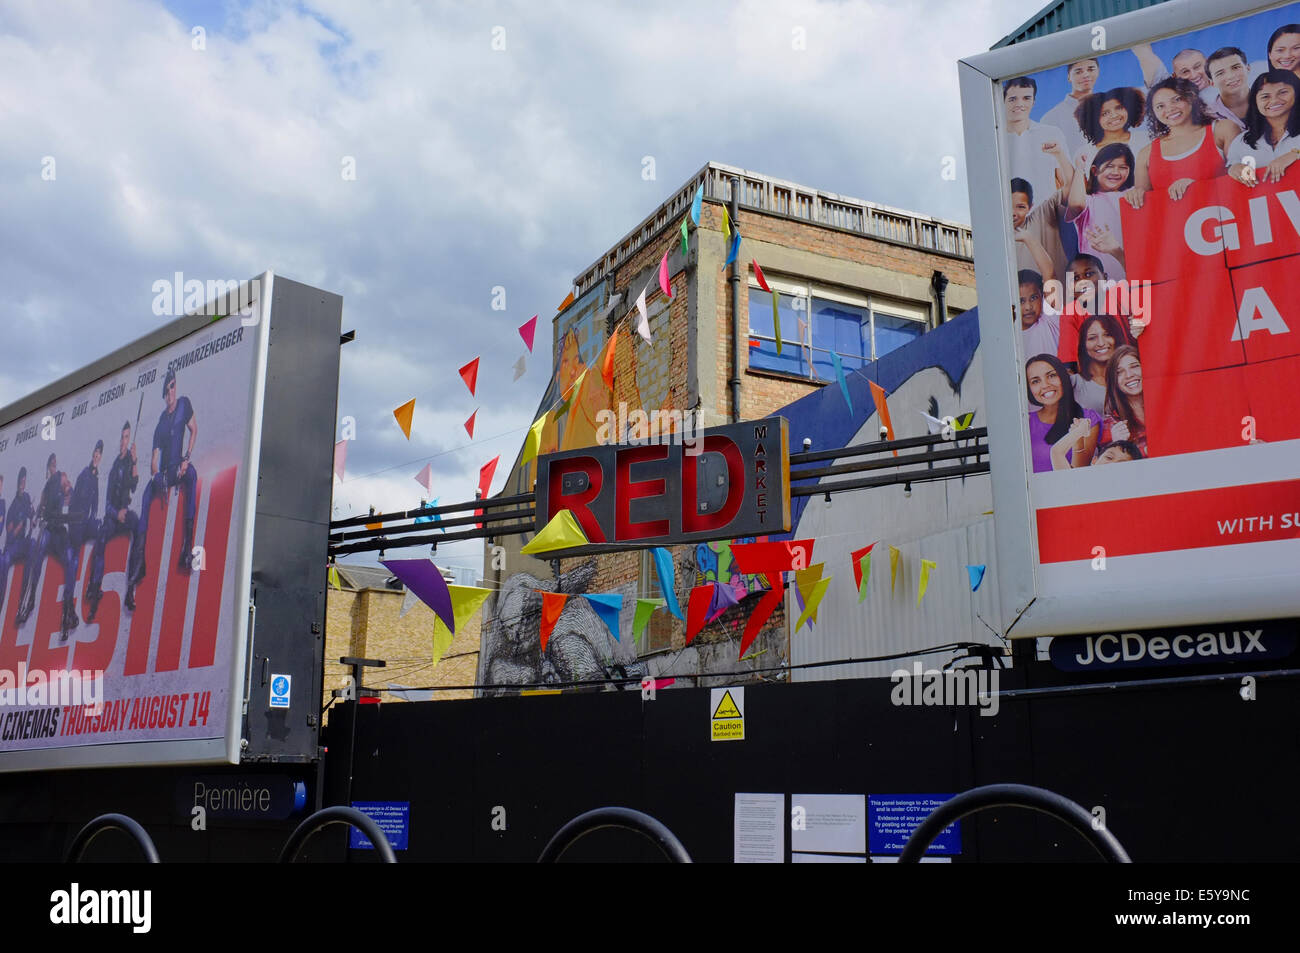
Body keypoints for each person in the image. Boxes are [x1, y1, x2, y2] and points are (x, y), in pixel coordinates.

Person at [1125, 77, 1238, 206]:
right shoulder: (1146, 154)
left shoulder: (1222, 130)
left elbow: (1243, 177)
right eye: (1160, 106)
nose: (1170, 109)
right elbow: (1143, 204)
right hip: (1174, 225)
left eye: (1177, 100)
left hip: (1227, 220)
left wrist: (1199, 187)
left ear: (1191, 98)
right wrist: (1134, 194)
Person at [1041, 45, 1168, 159]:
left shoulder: (1144, 139)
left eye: (1090, 69)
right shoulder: (1052, 117)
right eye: (1078, 71)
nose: (1085, 75)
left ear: (1098, 71)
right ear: (1068, 76)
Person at [136, 368, 199, 582]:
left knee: (192, 475)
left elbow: (194, 429)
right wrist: (156, 476)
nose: (171, 391)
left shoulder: (184, 404)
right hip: (164, 474)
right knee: (145, 495)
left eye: (173, 385)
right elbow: (154, 460)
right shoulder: (160, 423)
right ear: (163, 395)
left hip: (178, 467)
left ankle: (186, 549)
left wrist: (187, 457)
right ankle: (139, 562)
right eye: (167, 388)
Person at [17, 454, 78, 639]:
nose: (52, 466)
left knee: (71, 561)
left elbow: (69, 491)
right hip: (47, 529)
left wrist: (69, 494)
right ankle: (29, 602)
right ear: (46, 468)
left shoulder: (61, 476)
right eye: (50, 464)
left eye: (54, 463)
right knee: (36, 557)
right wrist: (35, 518)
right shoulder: (45, 487)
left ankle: (68, 611)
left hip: (58, 530)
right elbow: (40, 509)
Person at [87, 422, 142, 621]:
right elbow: (107, 502)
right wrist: (114, 513)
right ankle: (94, 588)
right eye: (122, 437)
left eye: (127, 437)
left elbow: (134, 485)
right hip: (113, 516)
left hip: (125, 514)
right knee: (101, 537)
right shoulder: (113, 468)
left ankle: (131, 588)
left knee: (138, 525)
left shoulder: (130, 461)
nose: (123, 441)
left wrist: (135, 461)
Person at [1066, 143, 1136, 280]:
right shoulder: (1089, 201)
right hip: (1098, 282)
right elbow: (1075, 204)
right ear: (1094, 170)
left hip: (1128, 277)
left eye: (1123, 167)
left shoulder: (1130, 196)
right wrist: (1080, 168)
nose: (1116, 172)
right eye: (1109, 166)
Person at [1003, 77, 1073, 214]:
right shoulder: (996, 140)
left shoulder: (1051, 133)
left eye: (1026, 98)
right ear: (1003, 101)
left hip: (1047, 219)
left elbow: (1069, 181)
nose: (1019, 104)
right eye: (1013, 99)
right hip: (1009, 224)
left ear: (1033, 101)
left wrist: (1060, 155)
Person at [1026, 354, 1100, 472]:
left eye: (1051, 375)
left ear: (1063, 377)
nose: (1045, 385)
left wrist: (1077, 438)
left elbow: (1080, 471)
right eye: (1035, 381)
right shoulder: (1025, 423)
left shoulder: (1088, 418)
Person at [1227, 70, 1300, 186]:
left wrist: (1296, 155)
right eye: (1265, 96)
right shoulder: (1241, 141)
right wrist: (1235, 169)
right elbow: (1231, 166)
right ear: (1255, 102)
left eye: (1283, 92)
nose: (1274, 100)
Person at [1073, 87, 1150, 169]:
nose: (1114, 115)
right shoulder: (1085, 153)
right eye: (1105, 113)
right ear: (1093, 120)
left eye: (1119, 108)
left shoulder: (1146, 139)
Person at [1011, 178, 1068, 285]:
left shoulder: (1041, 216)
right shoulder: (995, 240)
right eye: (1008, 206)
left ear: (1030, 207)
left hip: (1059, 296)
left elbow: (1070, 188)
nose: (1013, 213)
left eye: (1020, 207)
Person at [1072, 314, 1127, 414]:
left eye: (1107, 335)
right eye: (1092, 338)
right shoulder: (1075, 383)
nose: (1101, 343)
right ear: (1083, 345)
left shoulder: (1130, 376)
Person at [1100, 345, 1147, 457]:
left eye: (1134, 366)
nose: (1129, 375)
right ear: (1114, 382)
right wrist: (1117, 444)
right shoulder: (1111, 424)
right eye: (1120, 372)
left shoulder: (1168, 406)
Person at [1203, 47, 1262, 129]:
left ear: (1248, 68)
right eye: (1220, 73)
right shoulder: (1206, 117)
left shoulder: (1269, 100)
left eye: (1235, 67)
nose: (1231, 76)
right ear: (1211, 83)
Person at [68, 441, 102, 582]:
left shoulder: (95, 479)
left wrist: (94, 520)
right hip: (76, 524)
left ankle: (93, 583)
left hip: (86, 524)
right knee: (74, 558)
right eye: (95, 451)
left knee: (102, 535)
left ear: (100, 457)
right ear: (92, 453)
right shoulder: (84, 474)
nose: (96, 455)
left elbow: (95, 505)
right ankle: (68, 597)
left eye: (99, 453)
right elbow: (74, 500)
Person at [1, 468, 32, 620]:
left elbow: (32, 515)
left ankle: (23, 603)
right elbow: (10, 531)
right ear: (18, 483)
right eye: (21, 480)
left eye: (24, 480)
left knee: (33, 549)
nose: (22, 483)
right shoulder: (12, 505)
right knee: (4, 560)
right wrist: (18, 526)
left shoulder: (27, 498)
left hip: (23, 544)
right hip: (12, 546)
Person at [1019, 269, 1060, 360]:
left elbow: (1050, 275)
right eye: (1021, 301)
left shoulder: (1050, 321)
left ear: (1042, 297)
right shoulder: (1010, 338)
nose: (1028, 307)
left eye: (1033, 298)